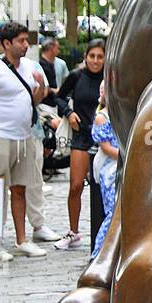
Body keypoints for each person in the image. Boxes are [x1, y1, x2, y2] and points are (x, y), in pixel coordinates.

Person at [0, 22, 48, 259]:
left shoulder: (29, 66)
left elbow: (34, 100)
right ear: (7, 43)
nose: (26, 45)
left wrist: (39, 88)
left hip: (24, 135)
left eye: (26, 40)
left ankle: (22, 240)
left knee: (20, 188)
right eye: (20, 41)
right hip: (0, 135)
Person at [53, 39, 106, 250]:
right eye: (92, 56)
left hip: (103, 136)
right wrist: (69, 112)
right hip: (81, 135)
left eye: (100, 56)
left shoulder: (110, 77)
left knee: (103, 186)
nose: (95, 60)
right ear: (86, 56)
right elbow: (59, 98)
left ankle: (106, 232)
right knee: (76, 185)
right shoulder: (76, 76)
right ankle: (73, 232)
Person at [90, 84, 119, 256]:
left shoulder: (123, 115)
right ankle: (99, 252)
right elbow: (106, 148)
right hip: (110, 168)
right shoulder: (102, 117)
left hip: (121, 164)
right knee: (112, 212)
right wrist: (126, 154)